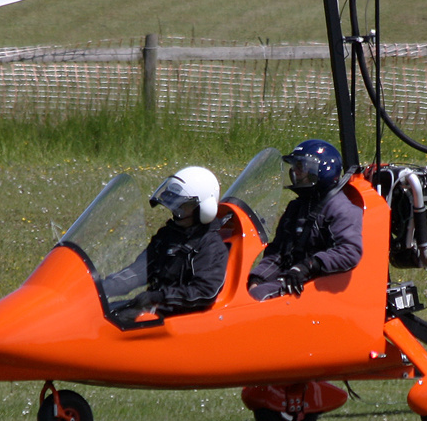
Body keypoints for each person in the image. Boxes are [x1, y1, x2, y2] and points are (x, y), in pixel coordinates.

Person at [104, 166, 229, 326]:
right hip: (157, 308)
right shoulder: (167, 235)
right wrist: (102, 288)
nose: (175, 211)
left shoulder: (210, 246)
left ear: (204, 209)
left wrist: (160, 297)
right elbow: (138, 271)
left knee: (114, 323)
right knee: (100, 313)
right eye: (173, 203)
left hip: (183, 319)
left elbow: (204, 292)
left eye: (182, 207)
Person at [248, 139, 363, 300]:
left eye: (300, 167)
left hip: (317, 285)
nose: (294, 172)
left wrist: (309, 265)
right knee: (244, 293)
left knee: (257, 297)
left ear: (321, 171)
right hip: (294, 279)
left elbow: (350, 252)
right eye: (294, 166)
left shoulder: (342, 210)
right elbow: (278, 253)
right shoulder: (296, 208)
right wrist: (257, 278)